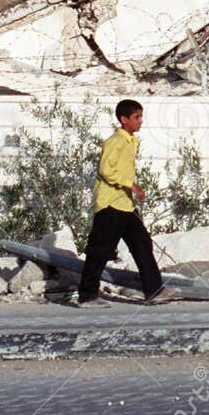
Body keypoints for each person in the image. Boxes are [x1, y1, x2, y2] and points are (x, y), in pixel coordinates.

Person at [77, 99, 176, 307]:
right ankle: (87, 295)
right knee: (100, 250)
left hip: (125, 205)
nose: (141, 121)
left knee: (142, 244)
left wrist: (131, 189)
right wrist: (131, 185)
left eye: (141, 116)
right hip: (110, 204)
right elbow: (105, 170)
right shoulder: (116, 141)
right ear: (124, 120)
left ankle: (154, 291)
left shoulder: (130, 141)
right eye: (136, 117)